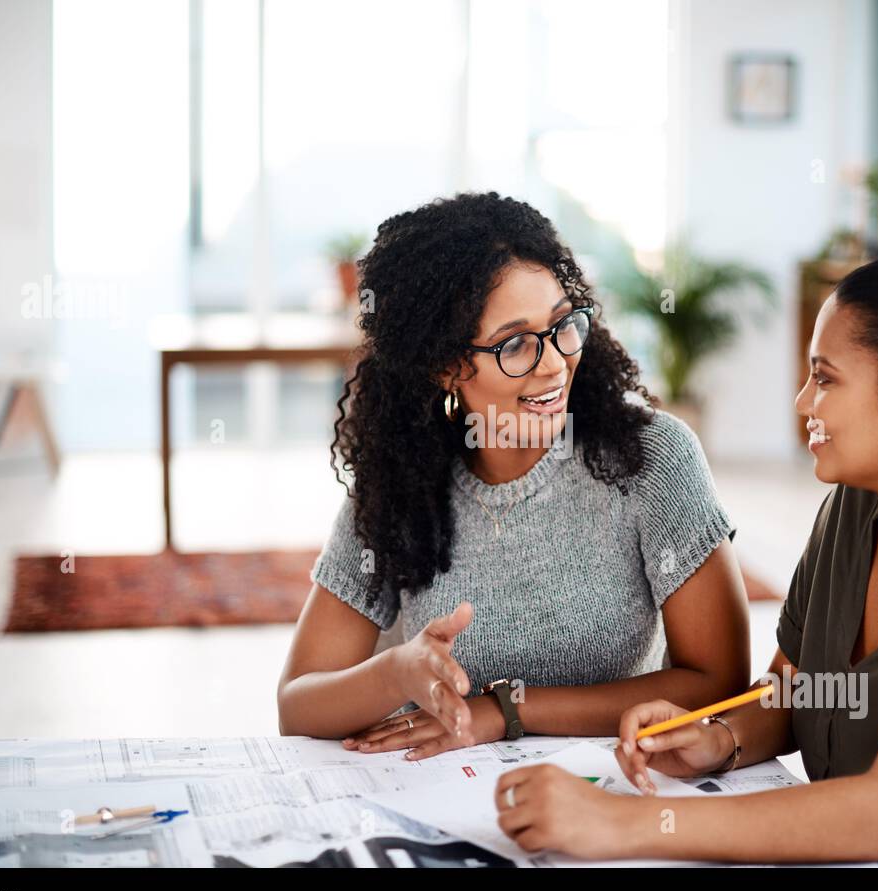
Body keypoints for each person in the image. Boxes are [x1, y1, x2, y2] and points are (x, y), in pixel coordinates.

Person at [493, 252, 878, 867]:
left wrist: (618, 823)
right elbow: (794, 688)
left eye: (824, 378)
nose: (803, 402)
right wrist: (720, 740)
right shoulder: (857, 506)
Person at [278, 192, 751, 761]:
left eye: (561, 326)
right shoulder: (398, 486)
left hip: (609, 799)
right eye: (516, 344)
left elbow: (718, 681)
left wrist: (505, 712)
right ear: (447, 366)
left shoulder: (650, 459)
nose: (554, 363)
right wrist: (394, 674)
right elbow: (297, 706)